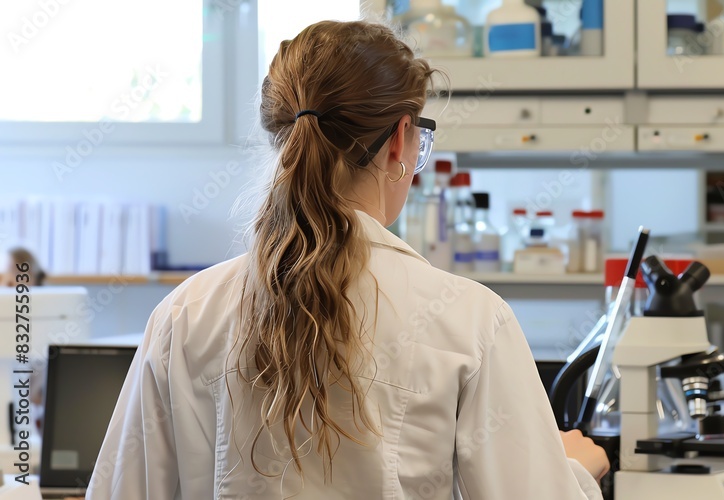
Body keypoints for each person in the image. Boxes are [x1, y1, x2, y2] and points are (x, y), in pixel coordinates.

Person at [87, 20, 608, 499]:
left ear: (282, 140)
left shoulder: (183, 315)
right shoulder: (470, 319)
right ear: (401, 140)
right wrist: (576, 470)